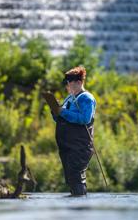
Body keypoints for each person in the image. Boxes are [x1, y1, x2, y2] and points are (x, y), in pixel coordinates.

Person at [51, 66, 96, 196]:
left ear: (79, 82)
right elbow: (61, 119)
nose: (67, 86)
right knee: (70, 179)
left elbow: (84, 119)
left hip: (80, 146)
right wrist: (55, 112)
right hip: (67, 146)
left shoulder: (86, 98)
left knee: (76, 178)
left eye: (70, 82)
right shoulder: (69, 98)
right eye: (67, 83)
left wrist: (63, 112)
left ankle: (80, 210)